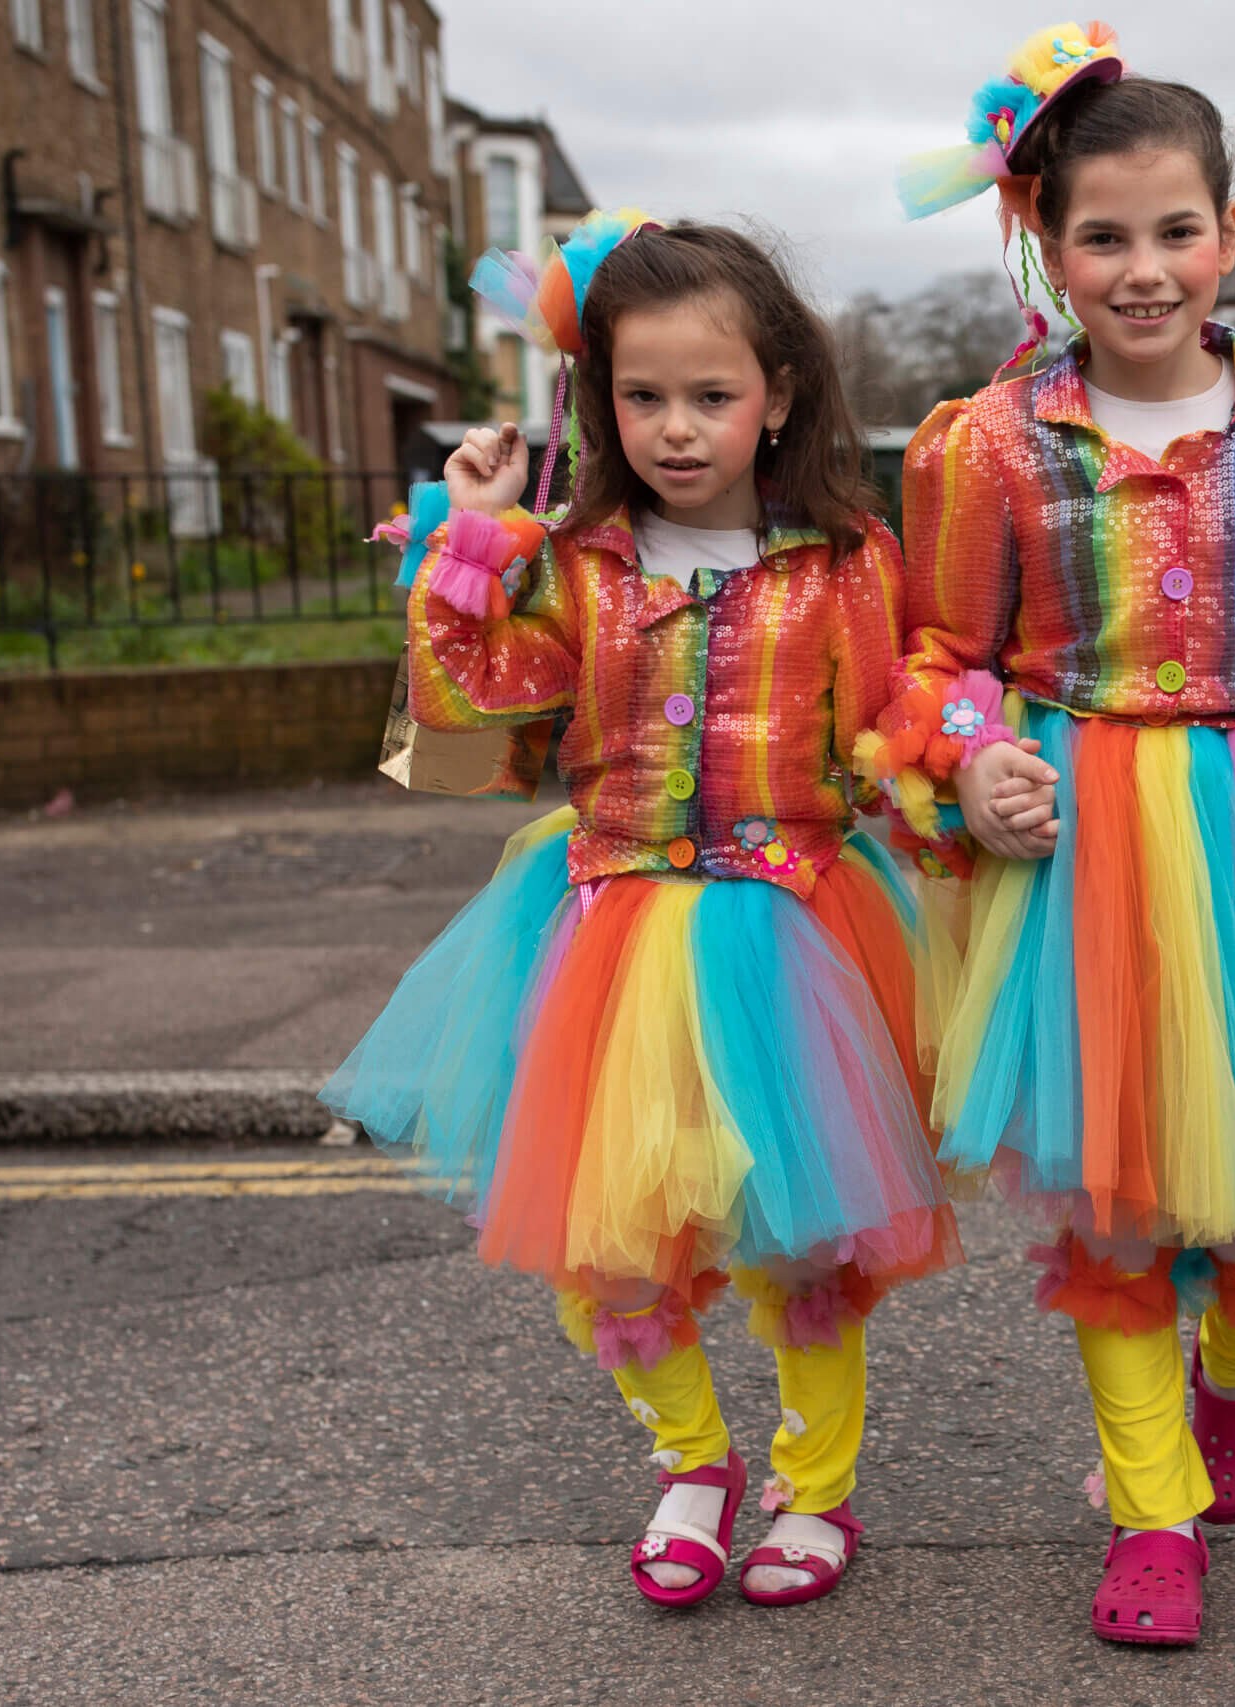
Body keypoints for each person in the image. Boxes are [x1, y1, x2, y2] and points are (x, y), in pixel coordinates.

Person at [878, 21, 1235, 1646]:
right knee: (1119, 1205)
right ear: (1045, 246)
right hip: (1084, 859)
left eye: (1175, 231)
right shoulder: (985, 443)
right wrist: (980, 761)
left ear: (1232, 232)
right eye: (1101, 237)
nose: (1143, 272)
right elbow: (942, 664)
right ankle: (1152, 1514)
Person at [323, 211, 958, 1611]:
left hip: (798, 932)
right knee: (615, 1242)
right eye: (645, 395)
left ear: (778, 396)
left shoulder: (846, 559)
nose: (678, 426)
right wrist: (475, 541)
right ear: (599, 398)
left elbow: (888, 737)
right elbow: (462, 717)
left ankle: (819, 1483)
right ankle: (692, 1459)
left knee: (800, 1239)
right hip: (610, 928)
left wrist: (956, 783)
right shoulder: (577, 559)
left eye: (713, 395)